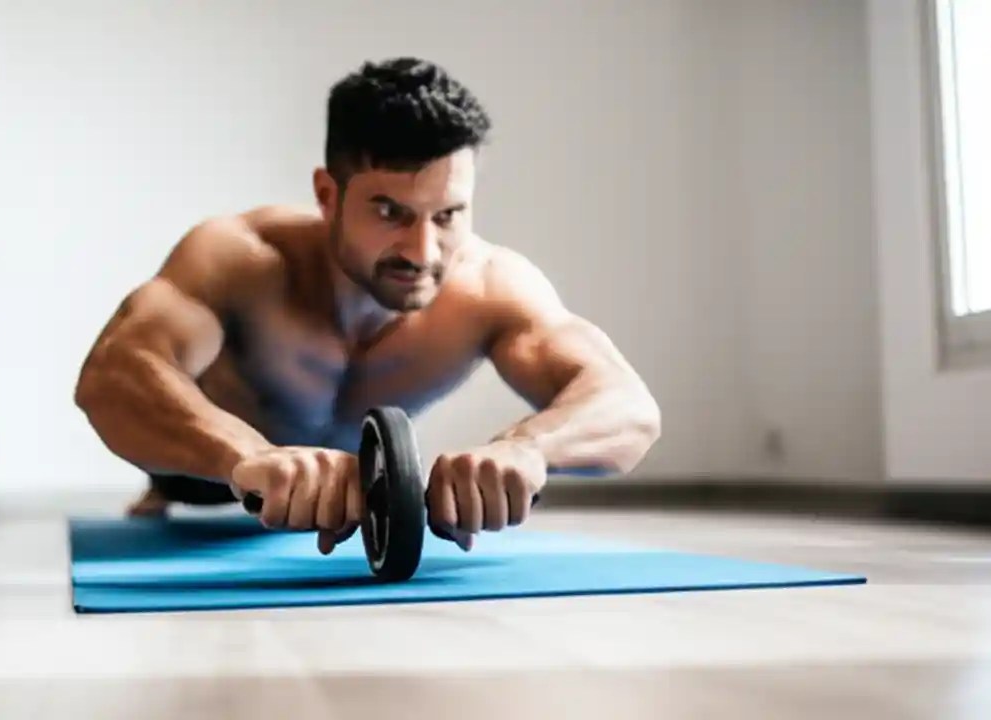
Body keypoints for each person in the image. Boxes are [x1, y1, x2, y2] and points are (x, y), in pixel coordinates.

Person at [73, 57, 661, 555]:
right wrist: (248, 456)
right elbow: (112, 376)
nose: (424, 250)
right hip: (197, 479)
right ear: (327, 195)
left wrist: (528, 448)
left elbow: (628, 406)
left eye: (448, 215)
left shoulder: (489, 286)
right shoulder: (241, 258)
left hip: (344, 494)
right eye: (390, 213)